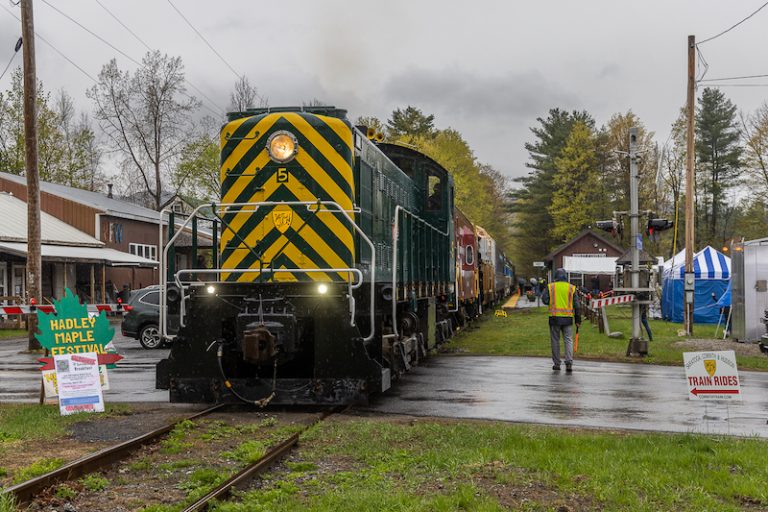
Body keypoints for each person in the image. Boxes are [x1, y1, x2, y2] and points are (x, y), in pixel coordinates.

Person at [541, 268, 581, 373]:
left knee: (555, 340)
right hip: (568, 318)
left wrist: (551, 300)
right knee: (568, 340)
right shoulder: (571, 288)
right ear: (565, 276)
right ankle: (568, 363)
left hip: (554, 318)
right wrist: (578, 319)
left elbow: (545, 300)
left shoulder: (551, 287)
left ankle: (557, 364)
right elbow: (577, 305)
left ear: (556, 276)